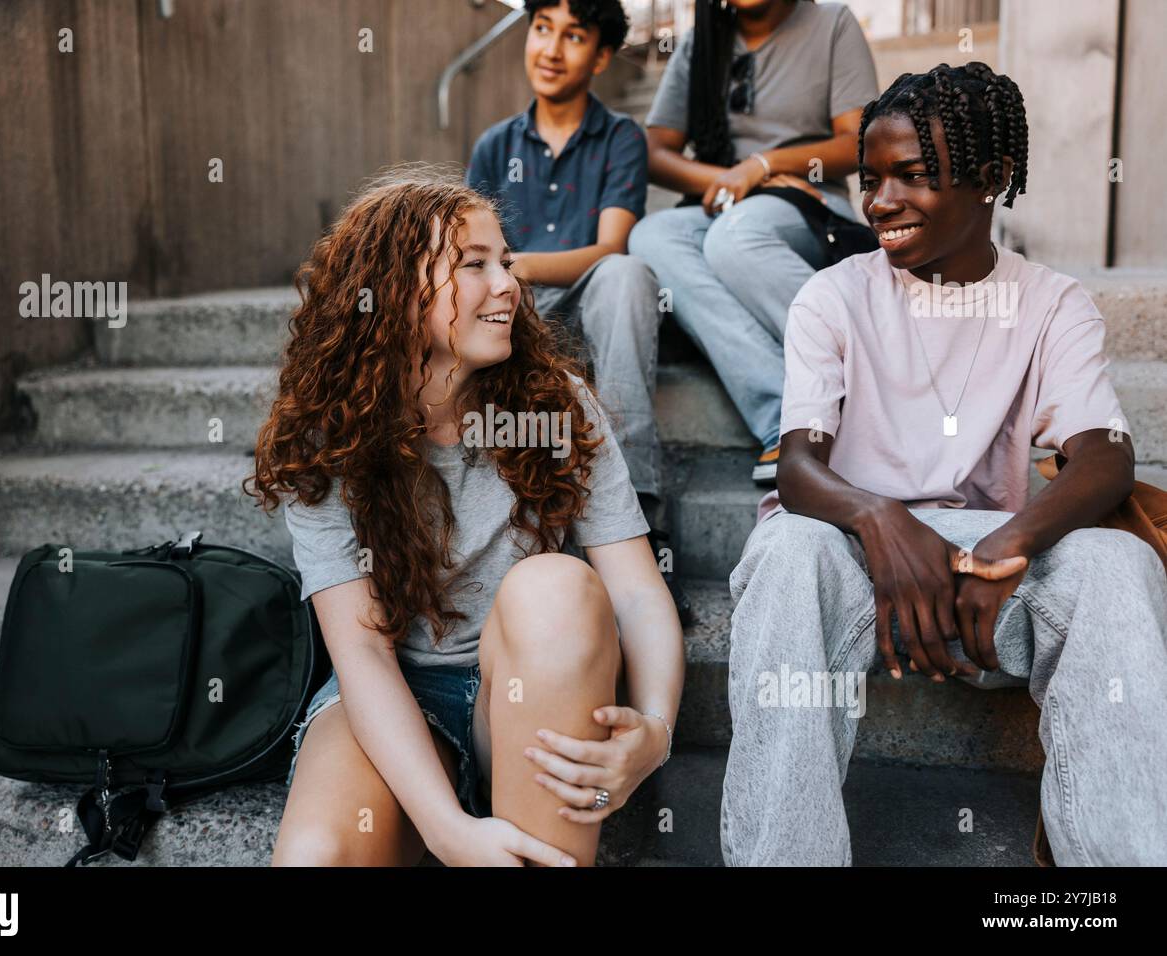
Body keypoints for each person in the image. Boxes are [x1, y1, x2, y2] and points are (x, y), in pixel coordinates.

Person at [721, 63, 1167, 866]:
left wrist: (1003, 547)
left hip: (987, 580)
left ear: (992, 179)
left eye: (913, 177)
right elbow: (797, 468)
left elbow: (1104, 457)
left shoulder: (1052, 302)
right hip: (860, 560)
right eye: (872, 179)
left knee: (1116, 566)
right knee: (788, 552)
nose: (881, 203)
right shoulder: (833, 296)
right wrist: (880, 516)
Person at [250, 167, 685, 867]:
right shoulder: (327, 438)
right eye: (473, 264)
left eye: (505, 262)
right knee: (314, 859)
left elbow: (635, 589)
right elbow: (360, 652)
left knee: (555, 585)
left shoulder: (558, 407)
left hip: (532, 682)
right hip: (397, 693)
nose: (509, 284)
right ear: (392, 291)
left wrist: (657, 729)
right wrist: (447, 829)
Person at [466, 0, 693, 624]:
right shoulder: (495, 145)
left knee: (628, 271)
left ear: (598, 55)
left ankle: (641, 519)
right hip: (515, 305)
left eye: (573, 36)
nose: (551, 48)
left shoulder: (621, 137)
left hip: (591, 297)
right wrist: (505, 277)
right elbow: (469, 249)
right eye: (542, 29)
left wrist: (522, 265)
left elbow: (612, 244)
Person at [628, 0, 878, 485]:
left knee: (735, 237)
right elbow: (656, 152)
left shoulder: (832, 24)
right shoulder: (704, 41)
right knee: (652, 236)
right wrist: (736, 179)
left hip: (809, 203)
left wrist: (766, 167)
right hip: (727, 201)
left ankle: (868, 372)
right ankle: (783, 421)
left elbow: (860, 141)